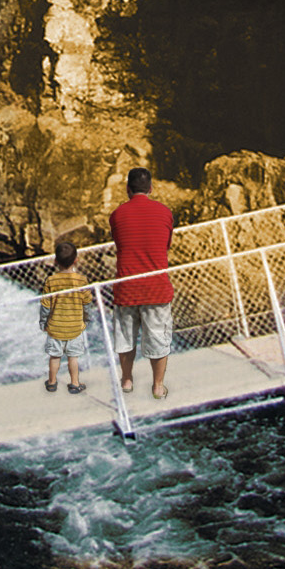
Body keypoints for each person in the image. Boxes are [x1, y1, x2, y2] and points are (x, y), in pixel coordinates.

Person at [110, 167, 174, 400]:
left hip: (127, 287)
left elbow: (120, 244)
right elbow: (166, 245)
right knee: (158, 337)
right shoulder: (165, 212)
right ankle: (158, 386)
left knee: (125, 337)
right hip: (157, 287)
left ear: (128, 189)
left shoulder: (117, 215)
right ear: (151, 188)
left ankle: (127, 380)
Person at [39, 236, 92, 394]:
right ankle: (75, 383)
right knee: (73, 357)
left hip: (55, 326)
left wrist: (43, 322)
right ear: (76, 260)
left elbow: (45, 305)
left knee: (55, 356)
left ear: (55, 261)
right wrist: (85, 318)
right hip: (75, 326)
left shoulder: (51, 281)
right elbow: (87, 302)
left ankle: (52, 382)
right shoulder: (81, 281)